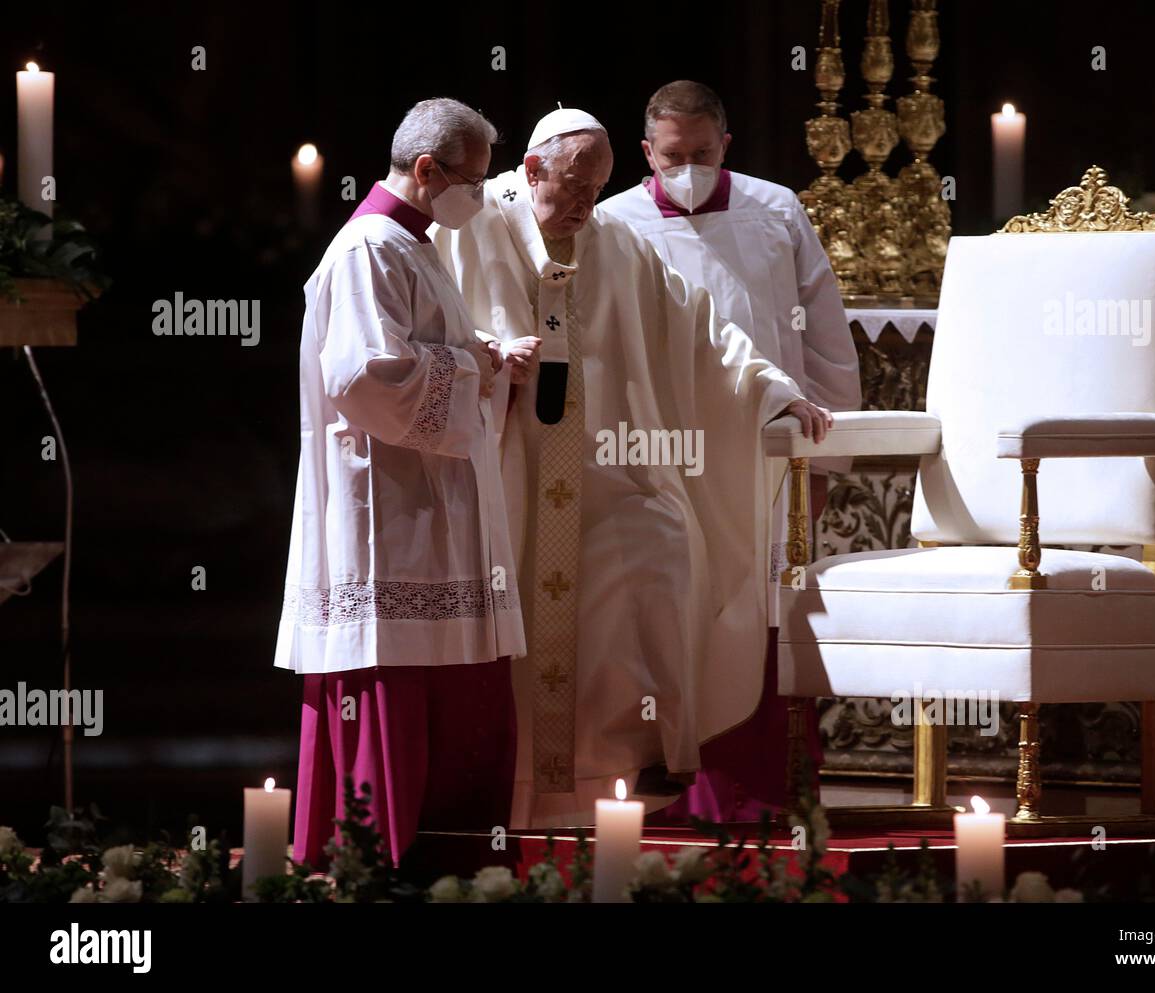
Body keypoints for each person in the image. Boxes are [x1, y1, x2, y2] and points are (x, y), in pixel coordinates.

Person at [432, 107, 831, 829]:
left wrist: (774, 389)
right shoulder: (472, 231)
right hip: (505, 471)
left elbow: (701, 327)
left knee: (668, 544)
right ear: (530, 170)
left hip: (607, 475)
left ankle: (632, 763)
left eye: (598, 187)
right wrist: (490, 354)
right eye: (575, 186)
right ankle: (520, 792)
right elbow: (431, 320)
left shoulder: (614, 243)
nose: (586, 203)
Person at [275, 98, 532, 867]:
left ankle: (455, 869)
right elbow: (366, 375)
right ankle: (386, 867)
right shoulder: (368, 249)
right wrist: (477, 365)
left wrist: (478, 350)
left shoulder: (414, 246)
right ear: (426, 170)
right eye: (473, 180)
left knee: (462, 701)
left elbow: (418, 346)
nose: (480, 197)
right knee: (399, 689)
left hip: (430, 511)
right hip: (389, 520)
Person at [601, 80, 862, 823]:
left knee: (764, 613)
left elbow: (826, 339)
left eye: (703, 154)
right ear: (647, 151)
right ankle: (670, 788)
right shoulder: (615, 222)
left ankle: (768, 789)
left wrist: (824, 461)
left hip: (768, 452)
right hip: (660, 456)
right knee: (669, 612)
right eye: (672, 156)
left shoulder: (776, 209)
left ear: (727, 146)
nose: (688, 169)